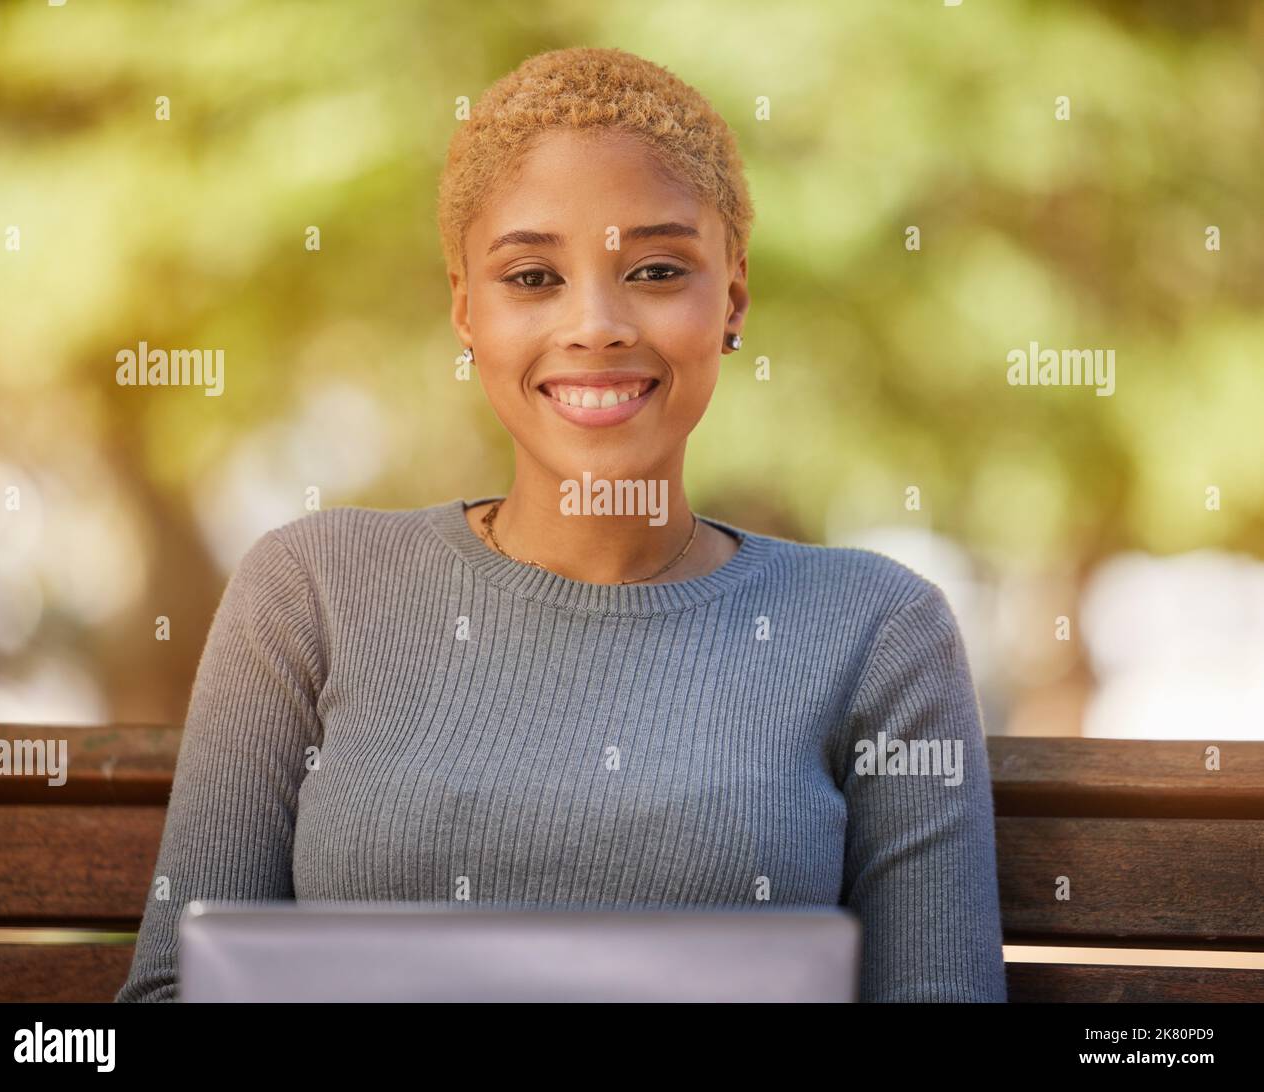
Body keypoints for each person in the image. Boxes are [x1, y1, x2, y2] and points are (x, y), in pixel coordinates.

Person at [116, 45, 1006, 1003]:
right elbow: (173, 995)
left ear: (733, 298)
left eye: (658, 270)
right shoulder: (313, 589)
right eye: (532, 278)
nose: (596, 326)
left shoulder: (875, 630)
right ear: (466, 310)